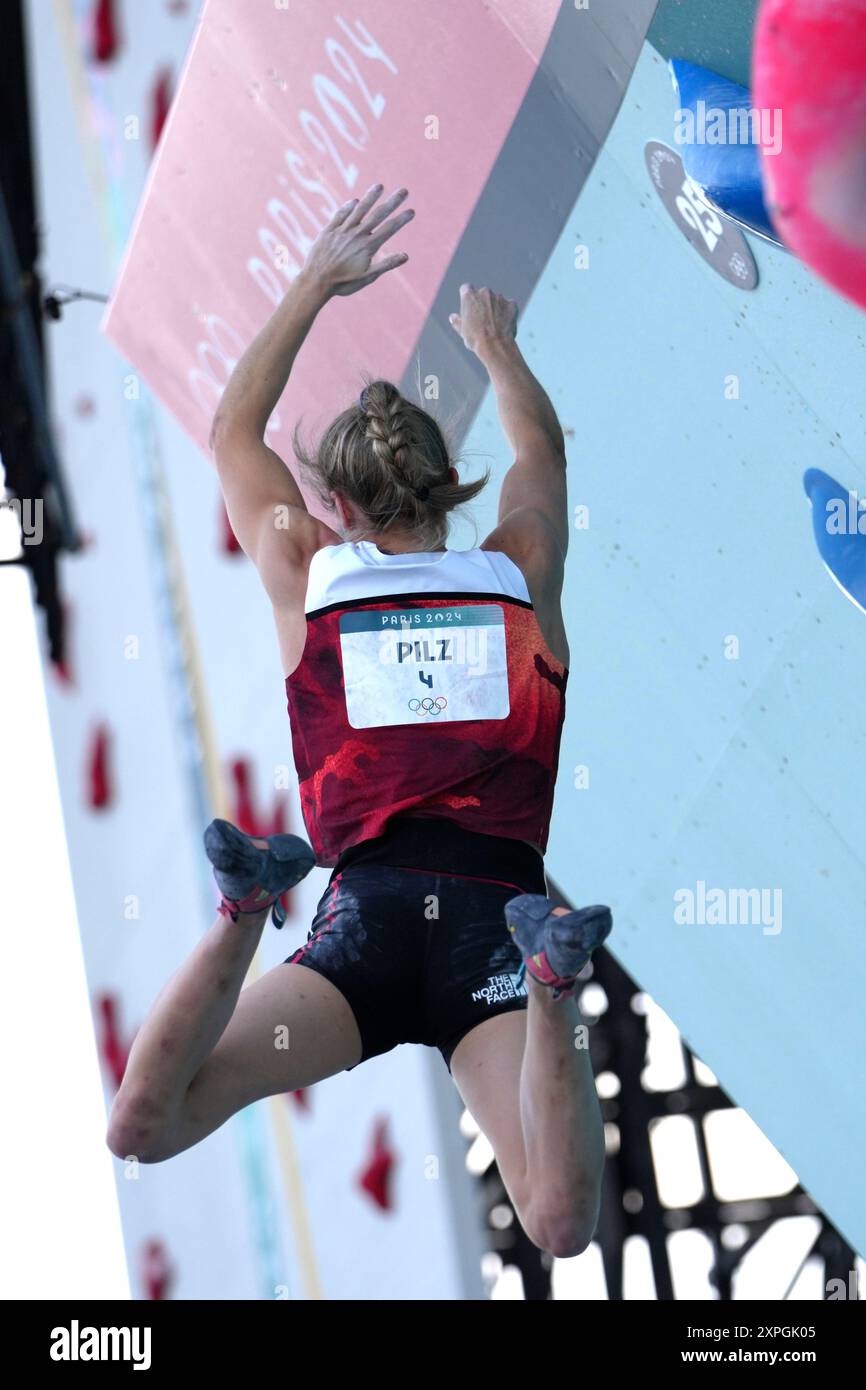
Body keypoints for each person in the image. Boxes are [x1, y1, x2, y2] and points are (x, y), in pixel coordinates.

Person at [107, 184, 612, 1261]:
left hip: (365, 923)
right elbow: (542, 455)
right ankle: (553, 980)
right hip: (496, 922)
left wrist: (316, 284)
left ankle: (246, 908)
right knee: (559, 1223)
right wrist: (494, 346)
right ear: (446, 480)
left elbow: (233, 426)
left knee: (142, 1124)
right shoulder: (518, 567)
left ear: (332, 505)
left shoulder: (307, 574)